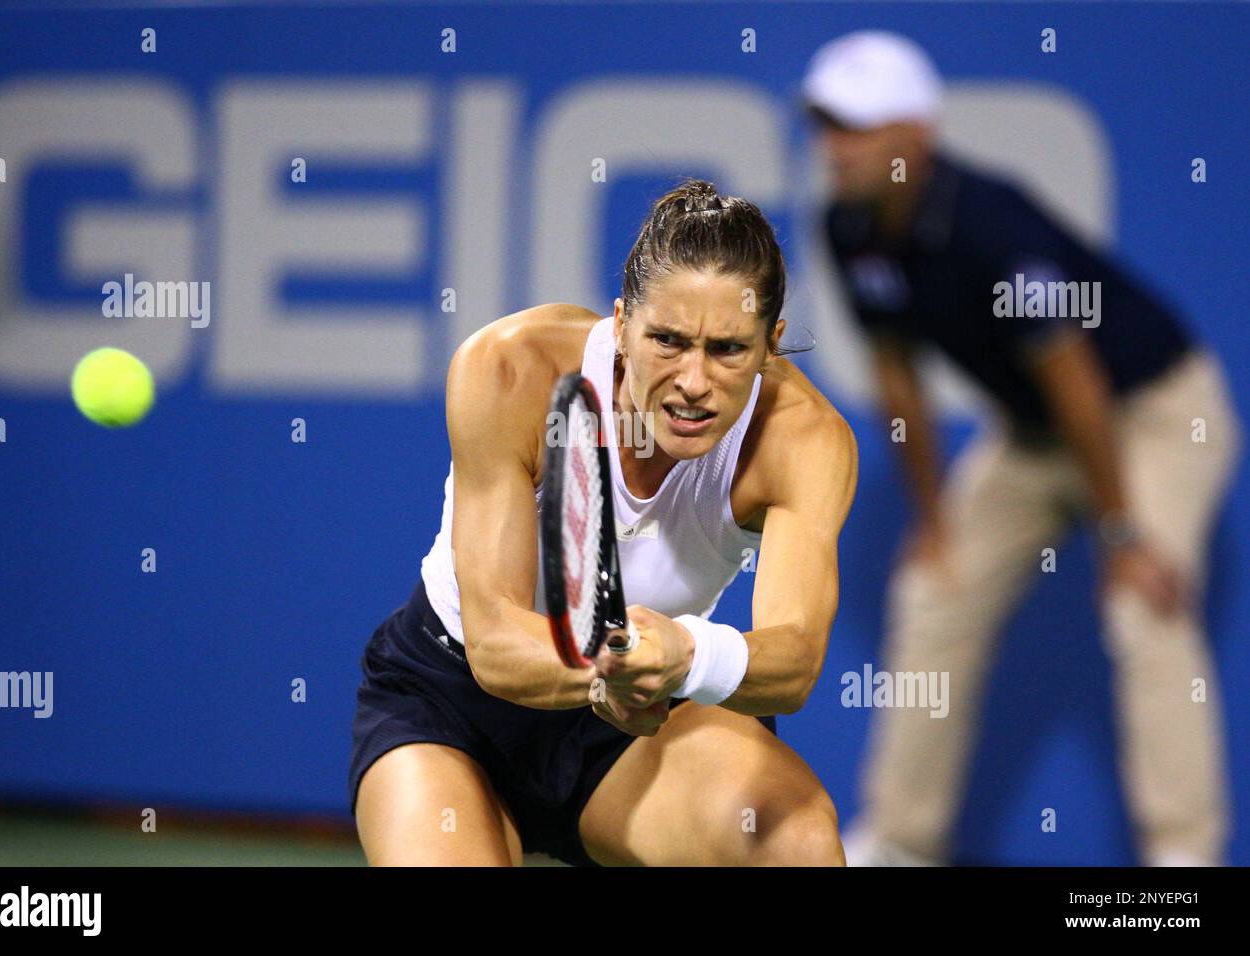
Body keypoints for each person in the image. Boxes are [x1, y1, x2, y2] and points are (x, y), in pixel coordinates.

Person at [803, 30, 1241, 866]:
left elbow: (1079, 381)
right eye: (828, 126)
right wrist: (933, 524)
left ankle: (1186, 858)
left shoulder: (991, 225)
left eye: (856, 127)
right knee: (935, 594)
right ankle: (901, 840)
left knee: (1145, 606)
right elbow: (898, 378)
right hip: (1035, 435)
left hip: (1151, 412)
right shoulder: (847, 226)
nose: (837, 147)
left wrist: (1121, 535)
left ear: (917, 137)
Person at [349, 179, 858, 866]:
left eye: (728, 350)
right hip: (450, 704)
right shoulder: (512, 369)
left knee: (793, 843)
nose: (694, 381)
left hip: (647, 727)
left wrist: (684, 657)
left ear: (773, 344)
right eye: (668, 341)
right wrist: (616, 668)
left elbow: (794, 659)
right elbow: (495, 644)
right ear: (621, 326)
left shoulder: (804, 440)